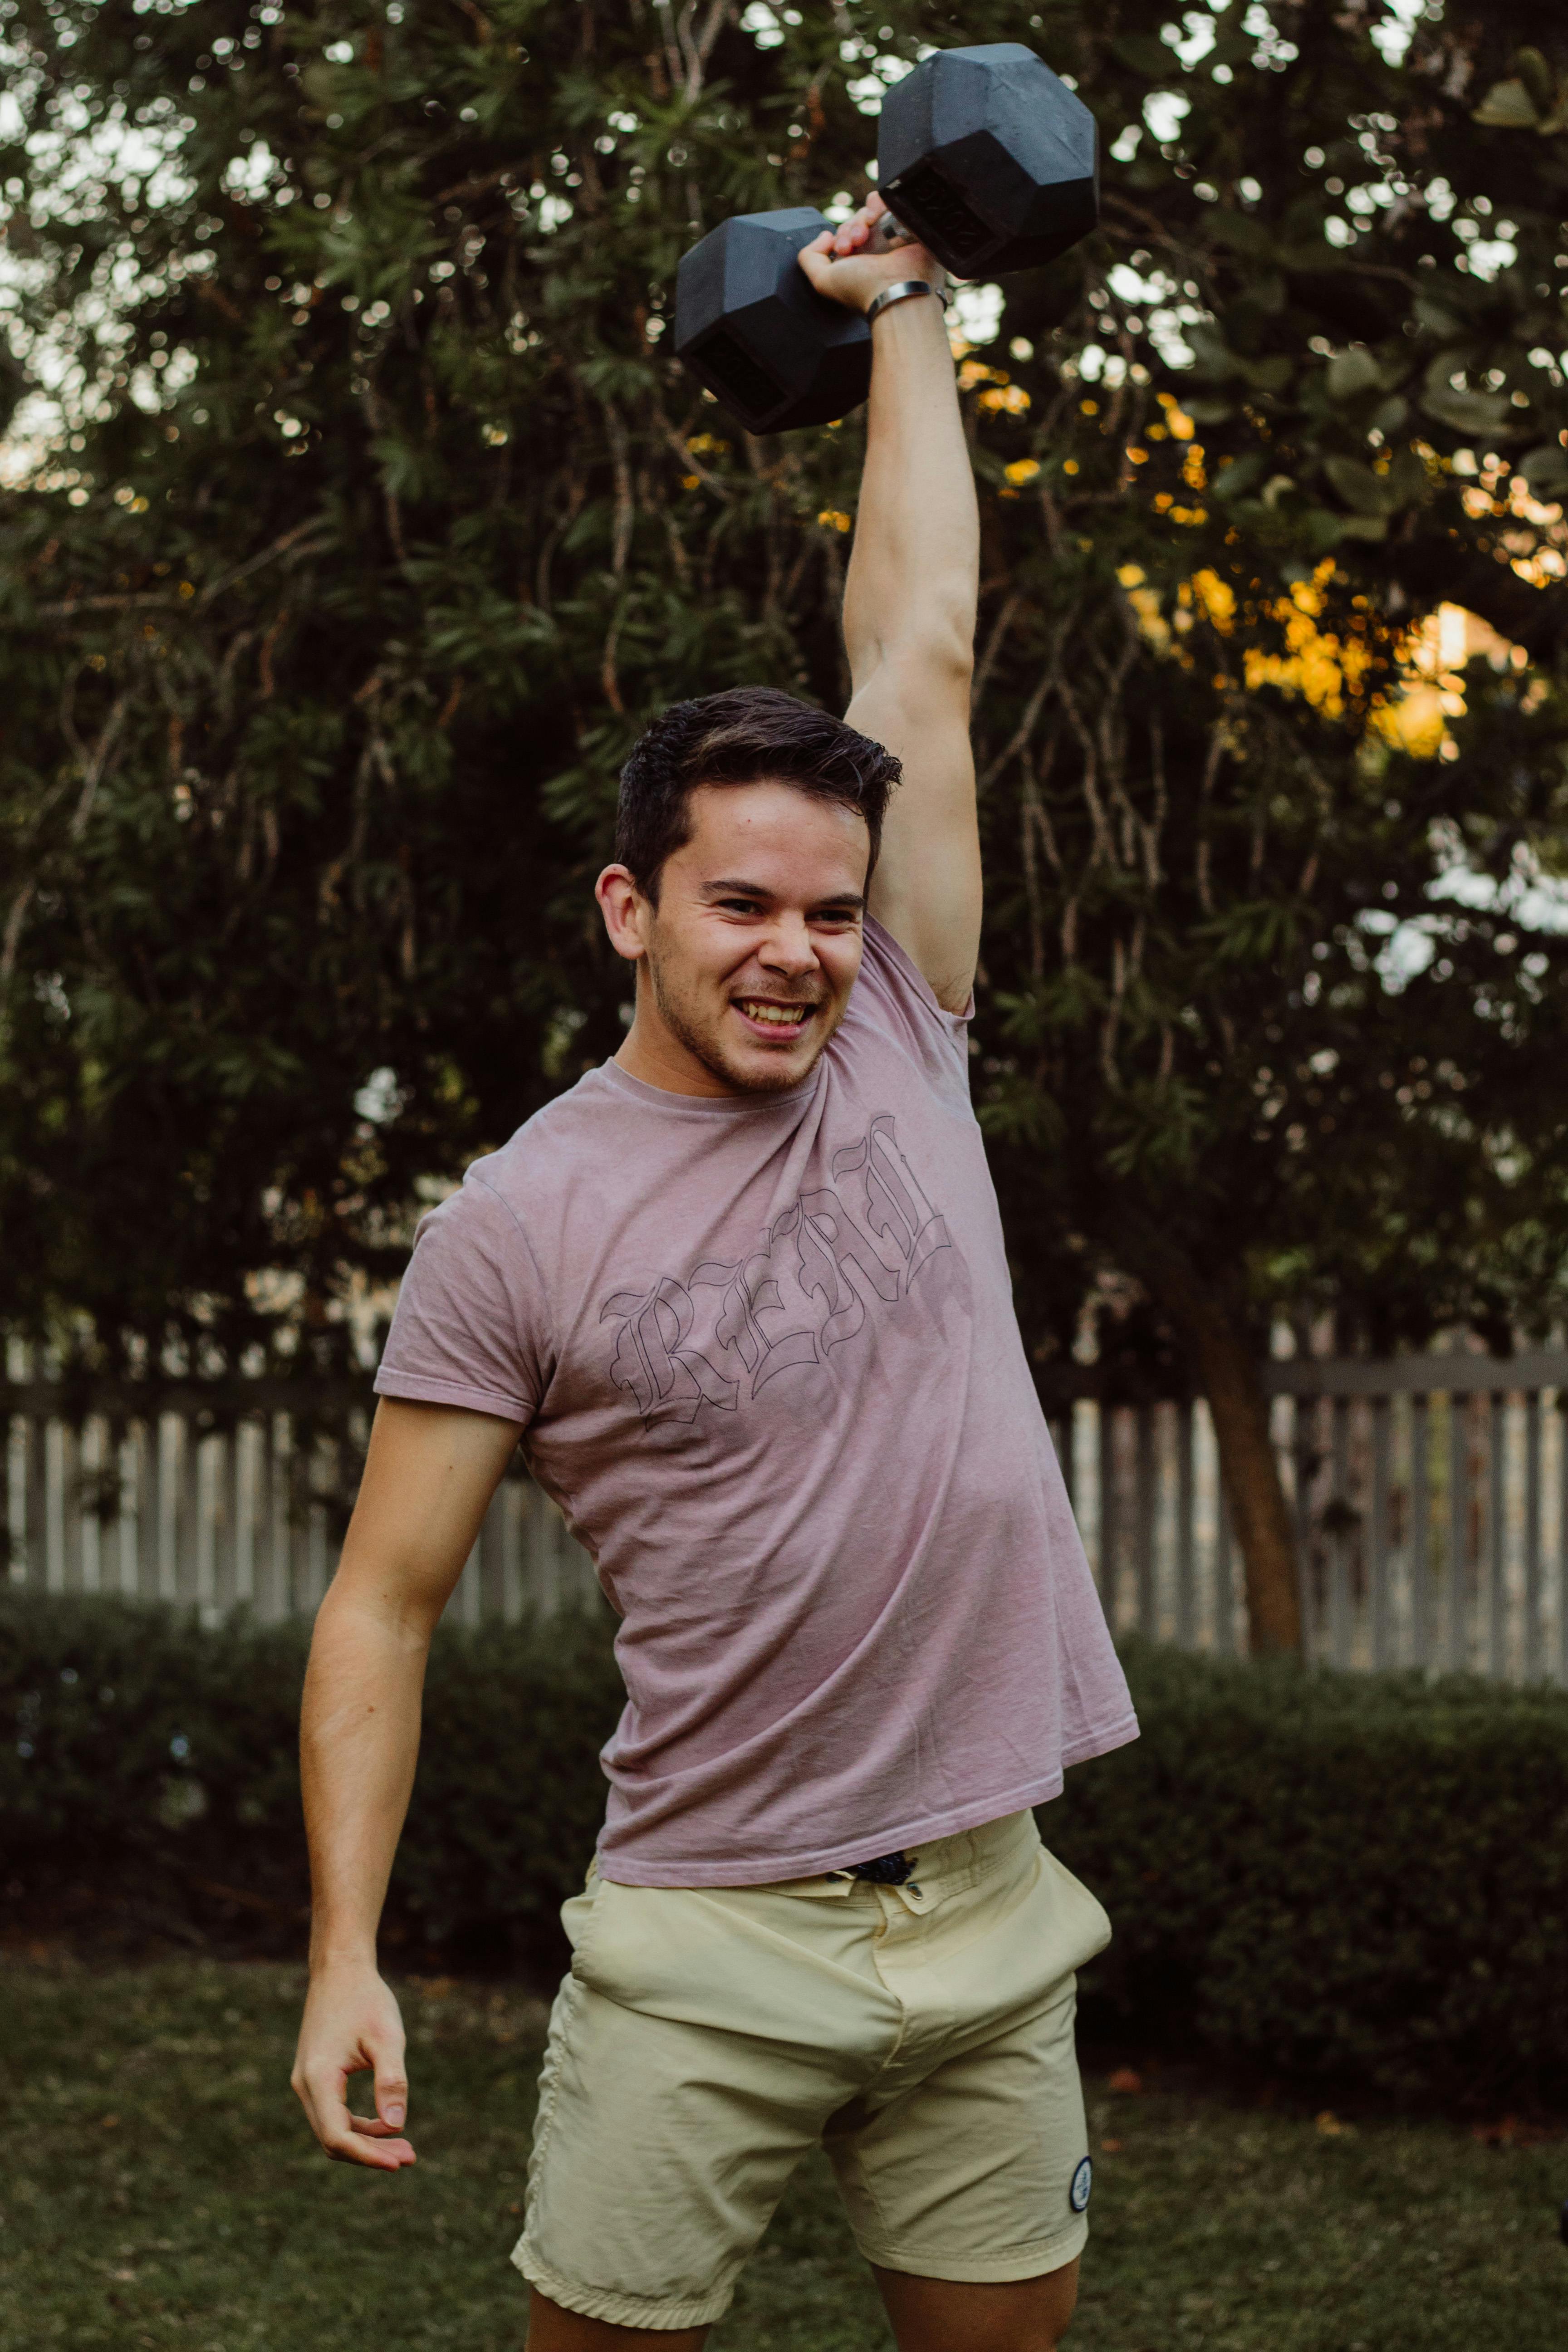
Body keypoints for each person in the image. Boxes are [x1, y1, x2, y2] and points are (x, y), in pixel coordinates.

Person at [291, 191, 1137, 2352]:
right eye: (740, 905)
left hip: (992, 1911)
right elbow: (383, 1604)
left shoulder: (906, 1034)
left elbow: (922, 644)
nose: (797, 953)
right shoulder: (517, 1223)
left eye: (829, 912)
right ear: (630, 908)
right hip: (709, 1937)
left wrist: (910, 304)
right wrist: (345, 1952)